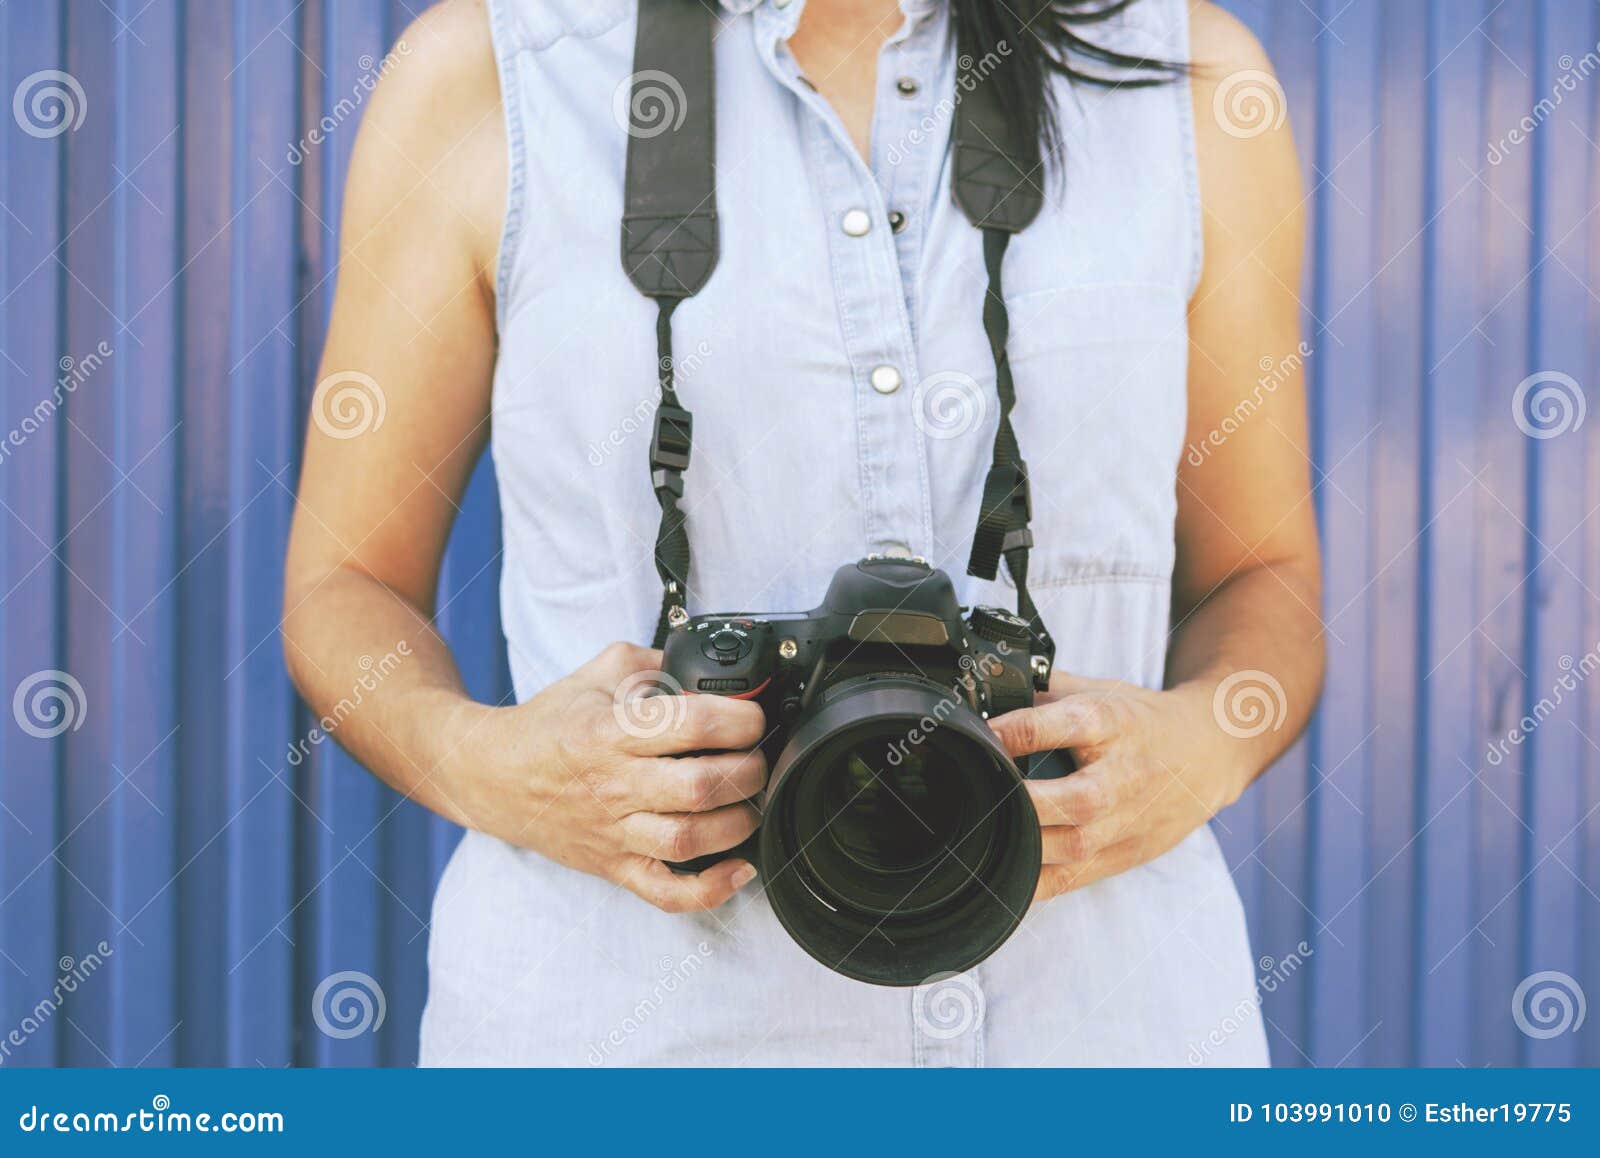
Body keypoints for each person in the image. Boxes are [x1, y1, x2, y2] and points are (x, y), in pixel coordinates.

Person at [283, 0, 1323, 1065]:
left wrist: (1199, 749)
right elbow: (345, 583)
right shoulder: (492, 71)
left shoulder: (1189, 78)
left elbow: (1264, 577)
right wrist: (497, 769)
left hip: (1109, 1040)